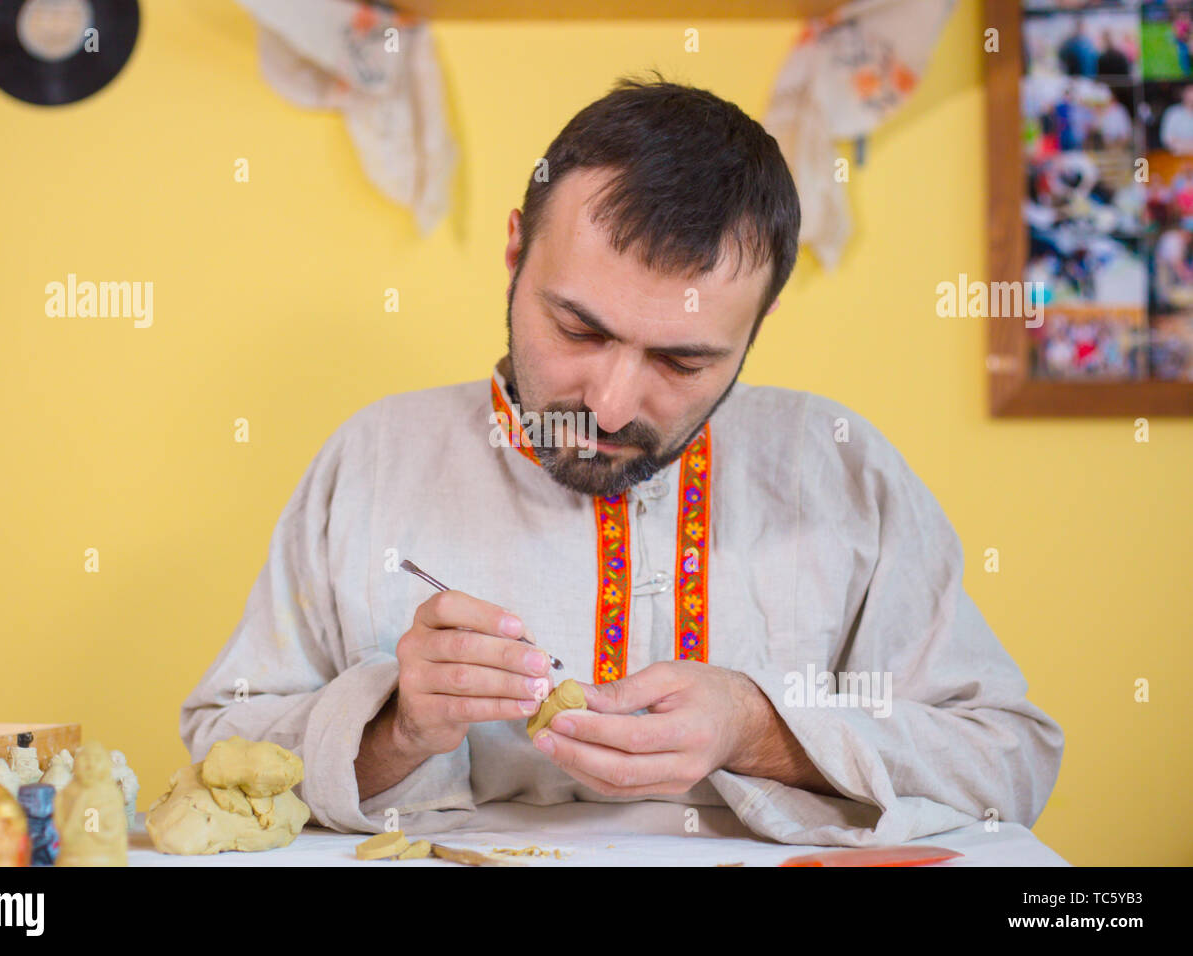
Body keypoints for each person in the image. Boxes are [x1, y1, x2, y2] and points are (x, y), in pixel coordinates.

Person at [179, 76, 1064, 846]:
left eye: (682, 362)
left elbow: (1010, 761)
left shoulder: (839, 470)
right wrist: (396, 729)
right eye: (578, 328)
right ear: (516, 252)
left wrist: (759, 730)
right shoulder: (374, 458)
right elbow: (219, 748)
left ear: (756, 329)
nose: (607, 405)